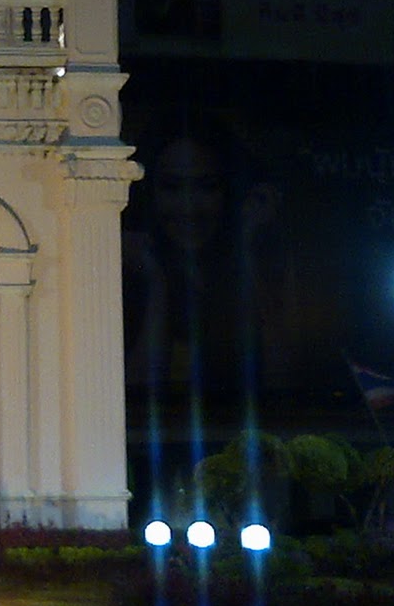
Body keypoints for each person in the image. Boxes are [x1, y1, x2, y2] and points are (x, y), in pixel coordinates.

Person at [123, 114, 292, 420]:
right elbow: (137, 391)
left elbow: (283, 386)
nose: (189, 207)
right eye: (172, 188)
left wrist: (248, 250)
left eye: (207, 187)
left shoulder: (257, 268)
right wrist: (157, 286)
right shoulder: (125, 270)